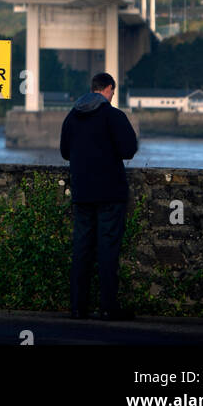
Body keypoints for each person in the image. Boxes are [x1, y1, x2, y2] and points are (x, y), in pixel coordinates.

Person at [59, 71, 138, 320]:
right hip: (110, 192)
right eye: (113, 91)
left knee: (82, 248)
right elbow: (128, 150)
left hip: (82, 192)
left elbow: (64, 152)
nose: (113, 95)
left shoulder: (72, 116)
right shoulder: (113, 116)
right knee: (108, 250)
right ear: (108, 89)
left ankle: (77, 307)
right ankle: (107, 307)